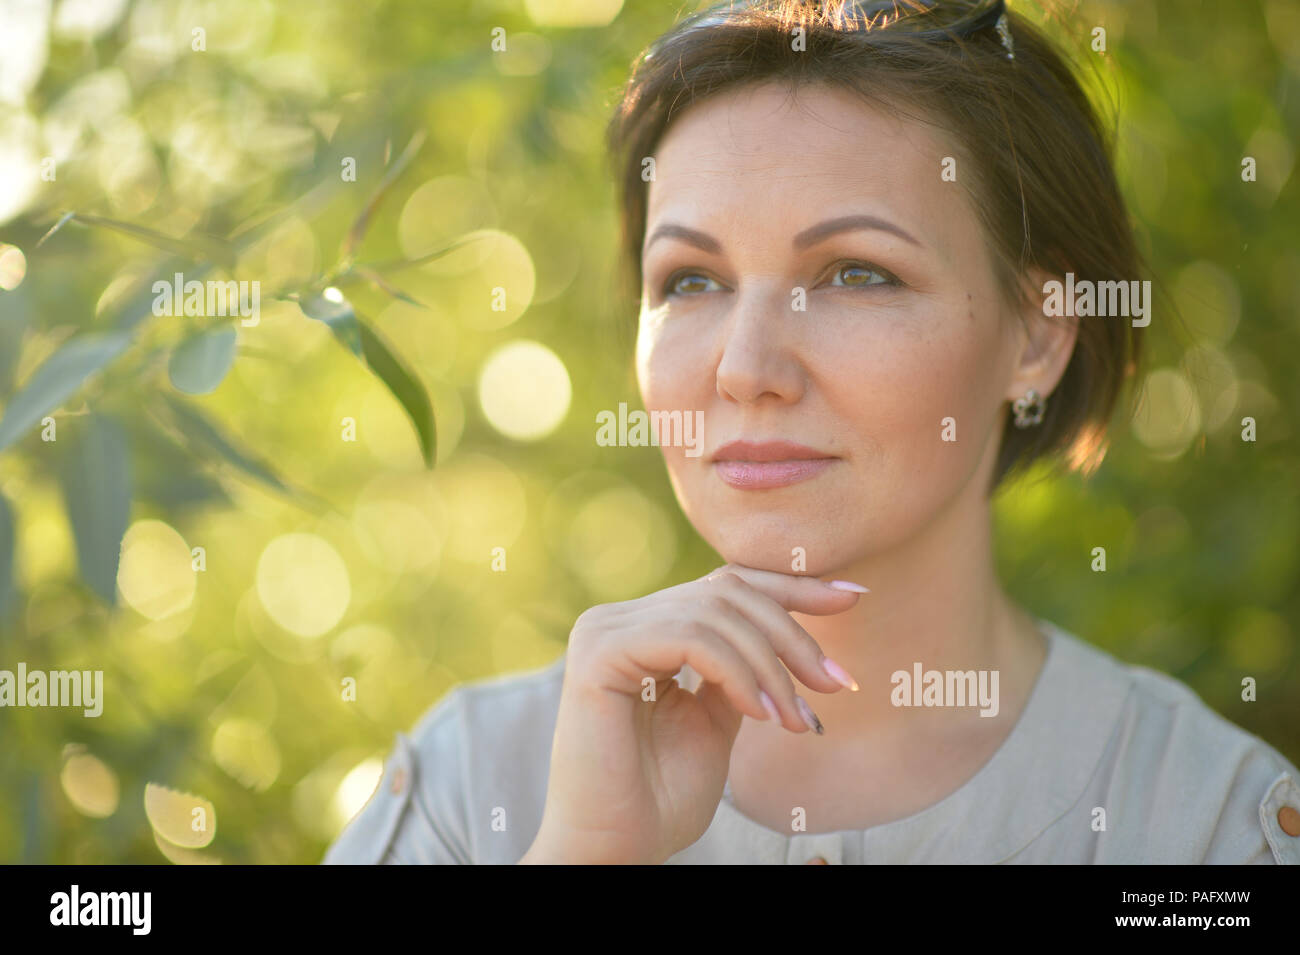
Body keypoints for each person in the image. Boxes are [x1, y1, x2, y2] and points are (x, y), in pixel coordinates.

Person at [324, 0, 1300, 864]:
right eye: (691, 281)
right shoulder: (464, 790)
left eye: (855, 273)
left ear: (1037, 335)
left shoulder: (1207, 822)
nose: (745, 368)